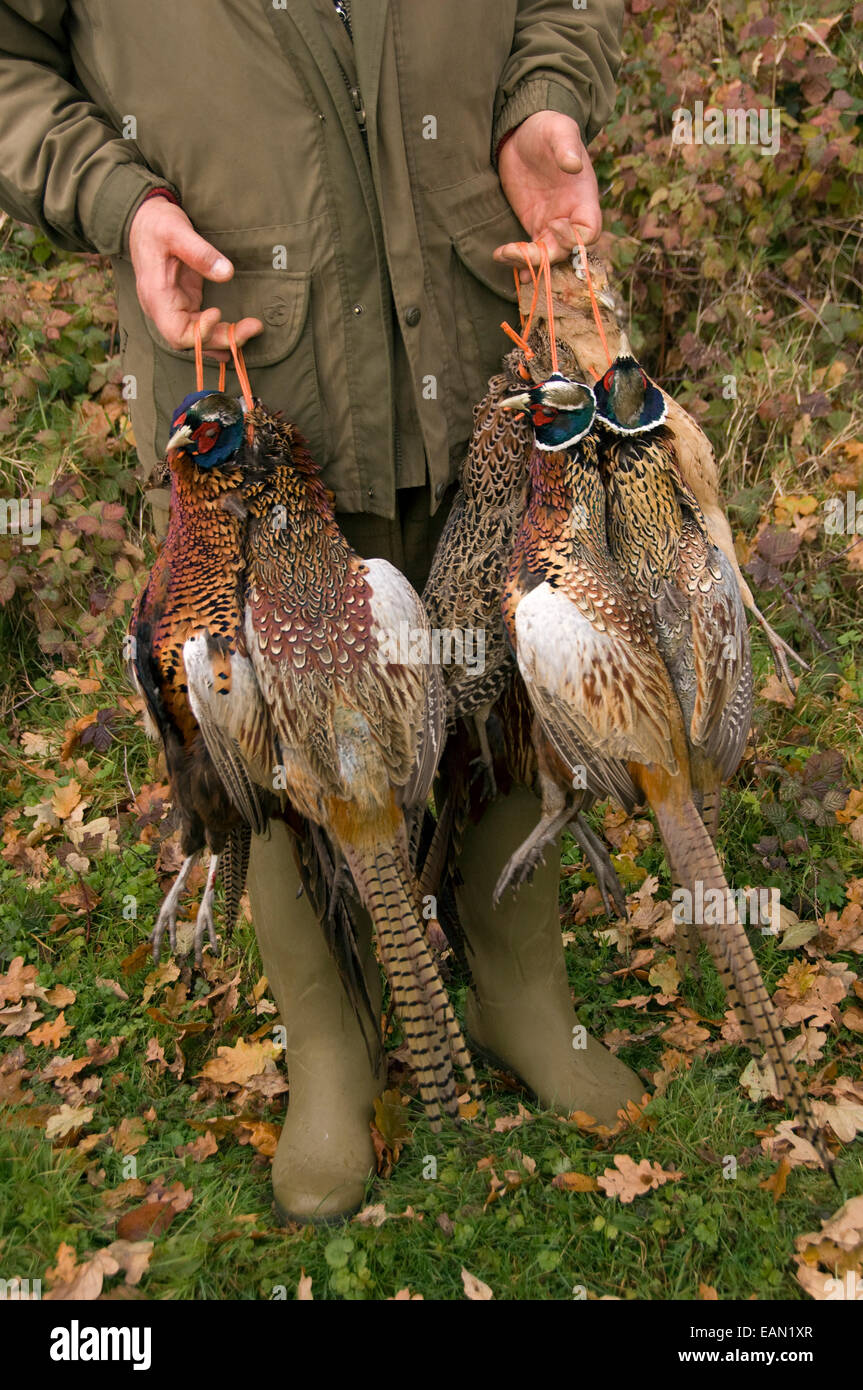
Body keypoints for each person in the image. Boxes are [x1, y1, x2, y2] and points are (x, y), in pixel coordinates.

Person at [0, 0, 642, 1221]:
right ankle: (335, 1044)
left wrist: (543, 102)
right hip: (250, 360)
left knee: (510, 677)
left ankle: (519, 992)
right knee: (288, 732)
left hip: (479, 317)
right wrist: (117, 196)